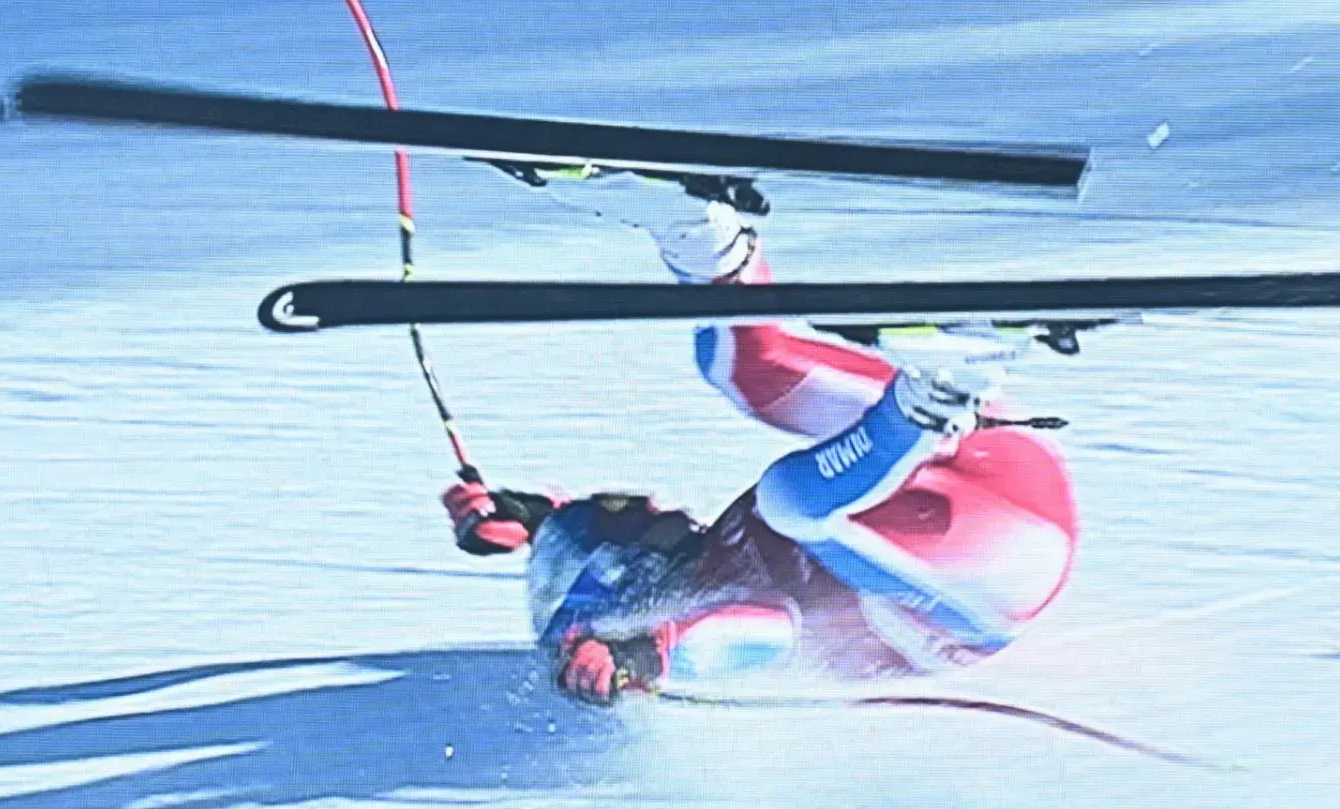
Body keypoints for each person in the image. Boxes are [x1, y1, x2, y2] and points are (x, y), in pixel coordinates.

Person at [442, 176, 1080, 705]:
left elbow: (597, 525)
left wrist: (532, 518)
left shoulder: (706, 555)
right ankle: (938, 390)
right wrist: (643, 658)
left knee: (746, 369)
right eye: (638, 545)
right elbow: (755, 634)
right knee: (789, 501)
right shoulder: (721, 622)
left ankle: (701, 235)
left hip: (977, 452)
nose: (650, 522)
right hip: (985, 580)